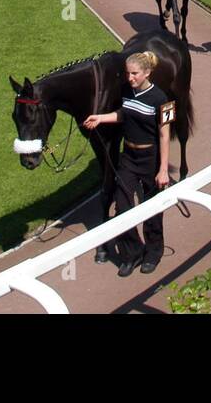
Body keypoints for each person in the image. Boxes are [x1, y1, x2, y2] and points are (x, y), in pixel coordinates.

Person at [83, 52, 172, 276]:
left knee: (152, 208)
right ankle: (132, 253)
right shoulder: (125, 91)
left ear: (147, 73)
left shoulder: (163, 98)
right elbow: (124, 114)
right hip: (128, 158)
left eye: (134, 74)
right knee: (122, 206)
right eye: (127, 73)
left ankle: (153, 252)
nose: (130, 77)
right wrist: (101, 118)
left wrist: (163, 170)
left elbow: (164, 135)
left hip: (150, 159)